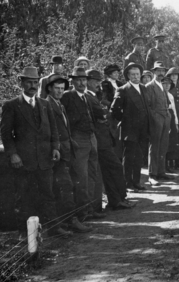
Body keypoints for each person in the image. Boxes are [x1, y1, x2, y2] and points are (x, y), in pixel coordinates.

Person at [1, 67, 62, 237]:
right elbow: (6, 135)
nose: (32, 85)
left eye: (35, 82)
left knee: (48, 195)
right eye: (28, 82)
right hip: (24, 161)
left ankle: (53, 228)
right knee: (24, 197)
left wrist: (56, 147)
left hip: (45, 159)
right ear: (21, 83)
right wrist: (13, 154)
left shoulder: (45, 104)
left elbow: (54, 128)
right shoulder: (11, 105)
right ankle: (25, 233)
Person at [45, 73, 92, 234]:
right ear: (49, 89)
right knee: (65, 186)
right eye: (56, 88)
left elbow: (64, 127)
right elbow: (51, 130)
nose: (59, 91)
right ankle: (70, 221)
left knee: (68, 185)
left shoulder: (59, 104)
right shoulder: (47, 105)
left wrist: (71, 141)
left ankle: (66, 220)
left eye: (62, 89)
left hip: (67, 149)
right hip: (57, 153)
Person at [61, 67, 104, 221]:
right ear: (72, 81)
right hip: (78, 139)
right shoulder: (67, 96)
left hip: (91, 137)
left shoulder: (86, 96)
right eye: (78, 79)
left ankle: (90, 209)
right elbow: (63, 120)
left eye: (84, 79)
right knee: (81, 177)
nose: (81, 82)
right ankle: (82, 213)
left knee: (92, 174)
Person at [85, 69, 132, 211]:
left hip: (104, 139)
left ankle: (116, 200)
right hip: (99, 141)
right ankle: (117, 199)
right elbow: (100, 115)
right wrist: (104, 114)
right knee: (114, 167)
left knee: (108, 171)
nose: (98, 84)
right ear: (87, 82)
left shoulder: (94, 96)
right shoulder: (88, 97)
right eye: (94, 81)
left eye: (99, 81)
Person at [111, 63, 150, 191]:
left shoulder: (144, 88)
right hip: (129, 129)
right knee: (129, 157)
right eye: (133, 74)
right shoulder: (123, 89)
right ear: (128, 76)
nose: (136, 77)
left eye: (138, 74)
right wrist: (125, 120)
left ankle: (136, 182)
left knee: (139, 156)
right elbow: (114, 109)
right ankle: (127, 183)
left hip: (142, 129)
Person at [145, 62, 172, 183]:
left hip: (165, 118)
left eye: (163, 71)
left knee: (163, 145)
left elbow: (166, 103)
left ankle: (161, 172)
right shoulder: (149, 86)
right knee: (154, 146)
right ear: (154, 72)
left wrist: (168, 117)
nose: (161, 73)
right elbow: (148, 106)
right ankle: (152, 175)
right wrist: (155, 119)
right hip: (156, 119)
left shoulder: (162, 85)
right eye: (158, 71)